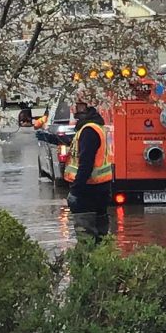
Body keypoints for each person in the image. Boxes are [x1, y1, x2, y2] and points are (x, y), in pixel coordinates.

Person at [65, 96, 109, 241]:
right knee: (101, 237)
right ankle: (103, 261)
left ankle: (87, 262)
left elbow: (86, 164)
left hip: (87, 191)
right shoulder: (95, 127)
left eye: (78, 106)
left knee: (86, 237)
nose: (75, 110)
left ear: (86, 108)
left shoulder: (88, 130)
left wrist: (75, 191)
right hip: (100, 190)